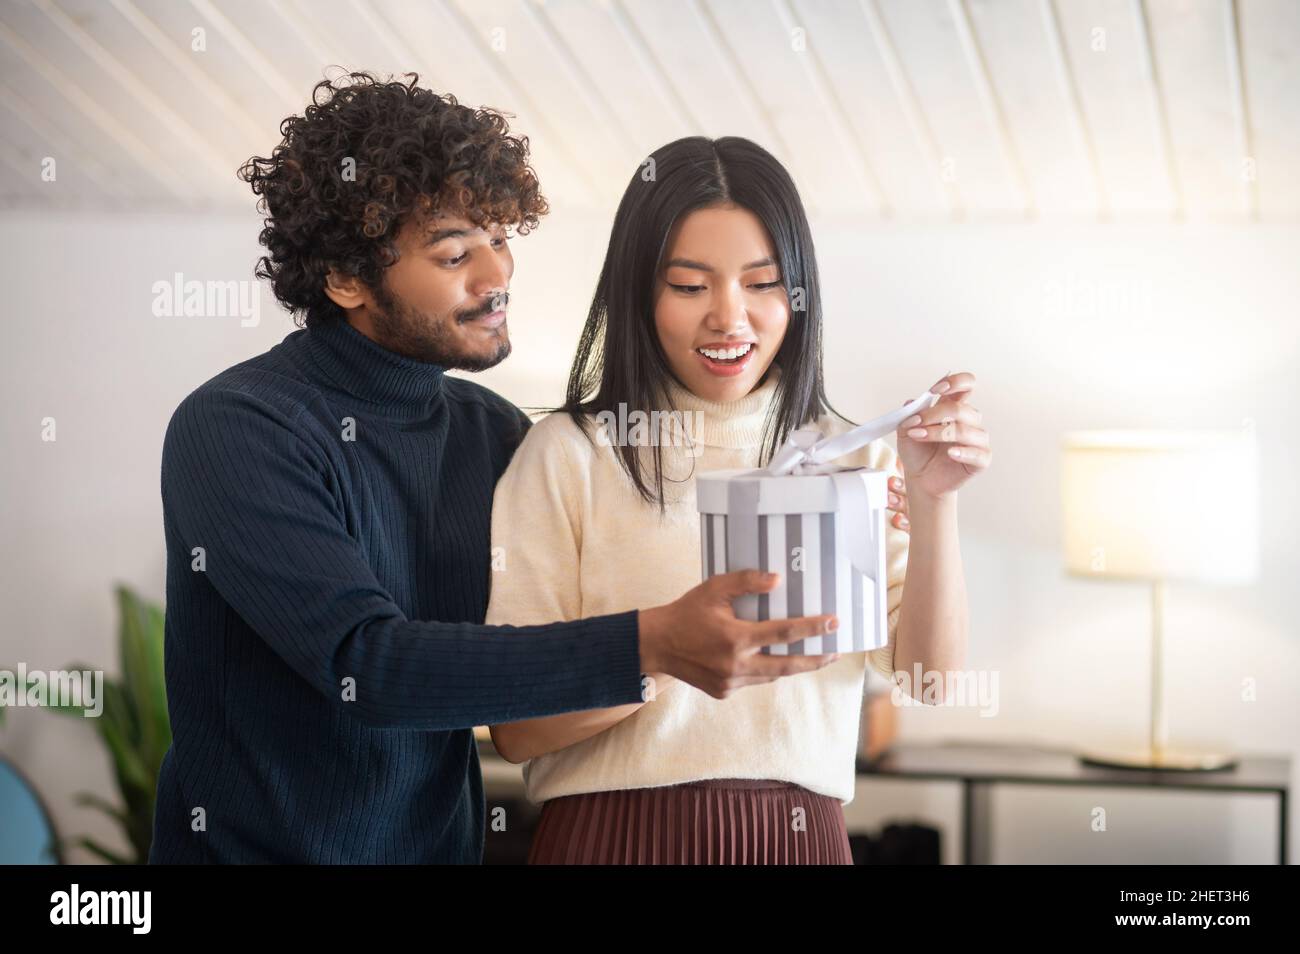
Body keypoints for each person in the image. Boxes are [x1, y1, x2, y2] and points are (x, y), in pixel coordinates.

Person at [149, 75, 841, 865]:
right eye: (454, 254)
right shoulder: (240, 427)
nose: (495, 276)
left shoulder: (495, 435)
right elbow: (365, 665)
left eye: (498, 237)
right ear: (345, 280)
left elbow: (613, 550)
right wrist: (654, 642)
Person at [486, 136, 990, 864]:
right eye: (690, 286)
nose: (730, 318)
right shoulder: (568, 454)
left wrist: (935, 501)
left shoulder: (855, 460)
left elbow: (929, 682)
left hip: (799, 841)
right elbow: (518, 731)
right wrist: (665, 652)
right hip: (607, 839)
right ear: (639, 292)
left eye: (762, 284)